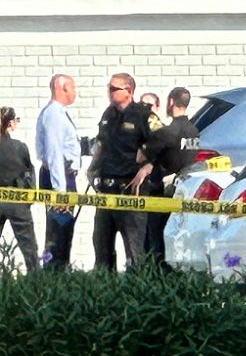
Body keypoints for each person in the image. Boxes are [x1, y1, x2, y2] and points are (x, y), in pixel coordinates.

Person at [89, 73, 160, 271]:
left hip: (130, 189)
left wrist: (147, 166)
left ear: (129, 91)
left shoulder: (144, 115)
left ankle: (136, 291)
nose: (109, 93)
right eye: (108, 88)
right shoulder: (108, 114)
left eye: (114, 89)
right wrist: (93, 167)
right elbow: (102, 143)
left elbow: (165, 143)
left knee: (134, 249)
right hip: (106, 189)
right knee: (101, 247)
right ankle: (104, 290)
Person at [136, 87, 201, 262]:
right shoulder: (193, 131)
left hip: (161, 191)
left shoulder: (166, 133)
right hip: (185, 190)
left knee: (155, 236)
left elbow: (141, 156)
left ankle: (155, 272)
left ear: (171, 102)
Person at [34, 73, 81, 270]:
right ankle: (55, 272)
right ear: (61, 88)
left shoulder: (57, 112)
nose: (74, 92)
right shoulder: (54, 114)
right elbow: (54, 153)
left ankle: (56, 268)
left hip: (62, 174)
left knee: (62, 229)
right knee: (58, 230)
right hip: (60, 177)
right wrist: (60, 191)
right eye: (72, 88)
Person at [0, 107, 39, 272]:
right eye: (16, 120)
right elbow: (29, 173)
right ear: (10, 123)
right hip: (17, 200)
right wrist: (29, 199)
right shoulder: (19, 147)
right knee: (29, 247)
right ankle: (36, 284)